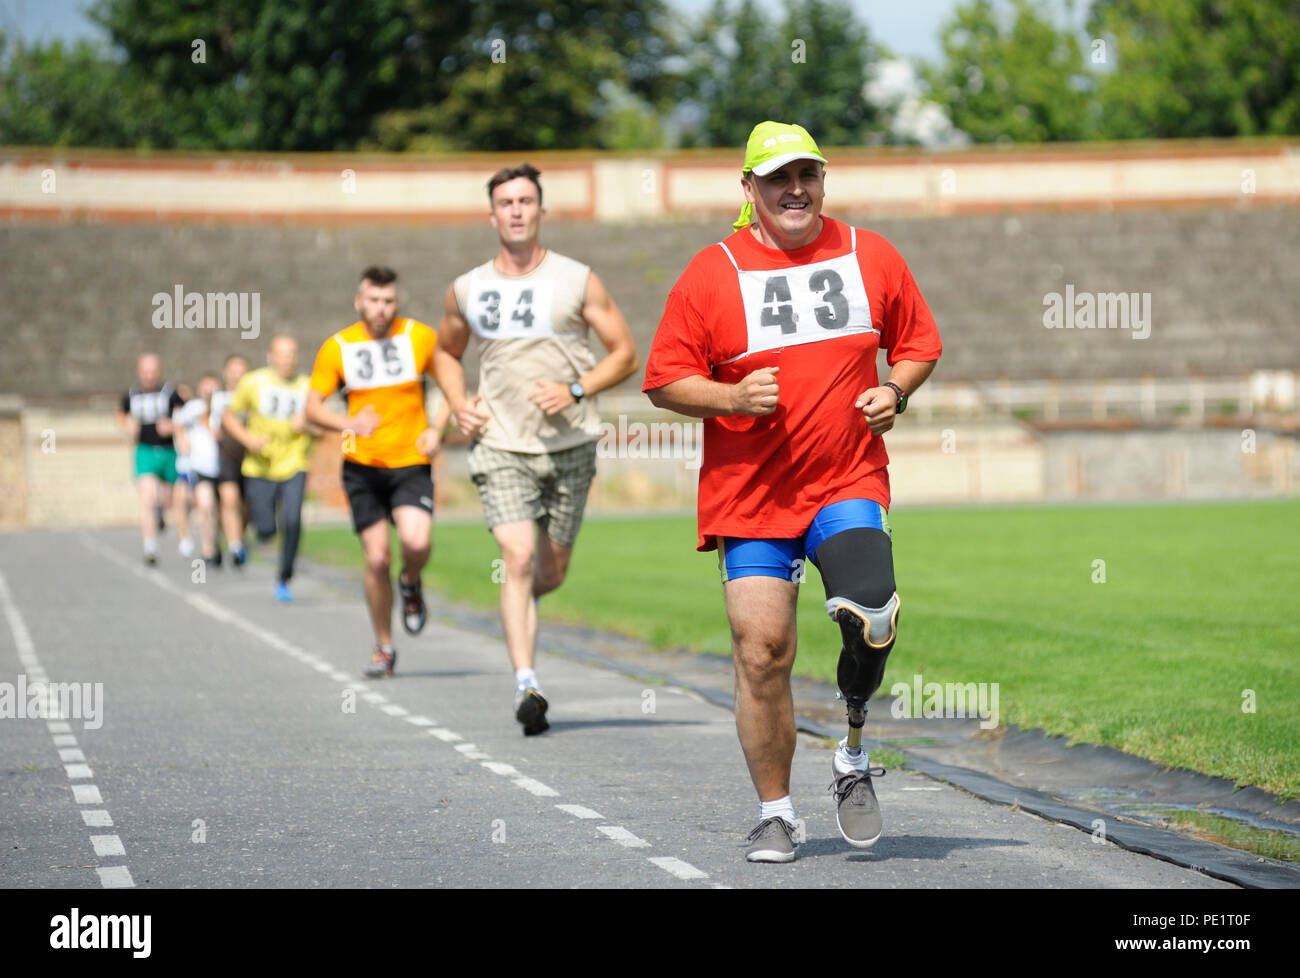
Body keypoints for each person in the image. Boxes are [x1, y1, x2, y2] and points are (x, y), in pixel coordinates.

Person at [643, 122, 942, 862]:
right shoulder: (712, 271)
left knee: (875, 617)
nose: (795, 189)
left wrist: (894, 393)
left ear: (823, 181)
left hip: (846, 477)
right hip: (750, 496)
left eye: (807, 173)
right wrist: (730, 399)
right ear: (750, 190)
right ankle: (777, 812)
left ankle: (851, 750)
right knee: (762, 651)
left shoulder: (867, 252)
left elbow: (919, 344)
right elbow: (663, 379)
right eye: (778, 178)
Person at [434, 163, 638, 736]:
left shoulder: (577, 279)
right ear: (493, 214)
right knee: (518, 557)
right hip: (500, 443)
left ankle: (521, 603)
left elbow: (625, 353)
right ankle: (527, 682)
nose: (517, 210)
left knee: (549, 571)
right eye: (506, 202)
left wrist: (575, 389)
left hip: (571, 444)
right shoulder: (467, 288)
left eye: (526, 200)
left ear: (541, 210)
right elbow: (444, 353)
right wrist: (456, 401)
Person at [305, 267, 446, 677]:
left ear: (396, 302)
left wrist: (438, 429)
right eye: (373, 300)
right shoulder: (338, 346)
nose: (381, 309)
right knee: (378, 557)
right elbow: (312, 406)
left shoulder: (418, 337)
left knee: (416, 545)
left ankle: (412, 584)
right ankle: (384, 646)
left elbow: (451, 384)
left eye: (388, 301)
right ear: (358, 301)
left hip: (411, 462)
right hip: (362, 467)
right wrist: (346, 424)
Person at [222, 335, 317, 602]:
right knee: (265, 529)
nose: (287, 360)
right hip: (259, 466)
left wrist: (307, 426)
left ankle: (284, 578)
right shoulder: (253, 382)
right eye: (282, 354)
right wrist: (248, 440)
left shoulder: (307, 386)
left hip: (294, 463)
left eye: (292, 354)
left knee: (293, 520)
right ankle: (256, 537)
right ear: (270, 357)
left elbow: (323, 426)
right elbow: (229, 416)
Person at [115, 353, 186, 566]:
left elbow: (184, 414)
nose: (149, 376)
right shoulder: (131, 394)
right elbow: (120, 414)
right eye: (145, 372)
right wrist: (127, 426)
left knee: (167, 499)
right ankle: (150, 546)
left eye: (152, 372)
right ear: (139, 372)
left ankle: (160, 514)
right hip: (144, 450)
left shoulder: (169, 392)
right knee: (147, 496)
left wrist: (173, 426)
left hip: (168, 452)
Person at [172, 373, 223, 566]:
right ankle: (202, 547)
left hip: (217, 466)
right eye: (206, 387)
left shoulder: (221, 410)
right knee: (200, 504)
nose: (209, 391)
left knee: (212, 507)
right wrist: (182, 439)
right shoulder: (192, 408)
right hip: (197, 466)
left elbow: (220, 435)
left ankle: (215, 546)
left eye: (213, 388)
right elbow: (177, 424)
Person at [211, 354, 250, 567]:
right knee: (229, 498)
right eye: (234, 371)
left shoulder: (253, 396)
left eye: (242, 372)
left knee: (246, 507)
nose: (237, 376)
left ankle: (236, 537)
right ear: (226, 373)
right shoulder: (218, 398)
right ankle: (235, 548)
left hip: (250, 458)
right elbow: (205, 420)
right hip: (225, 457)